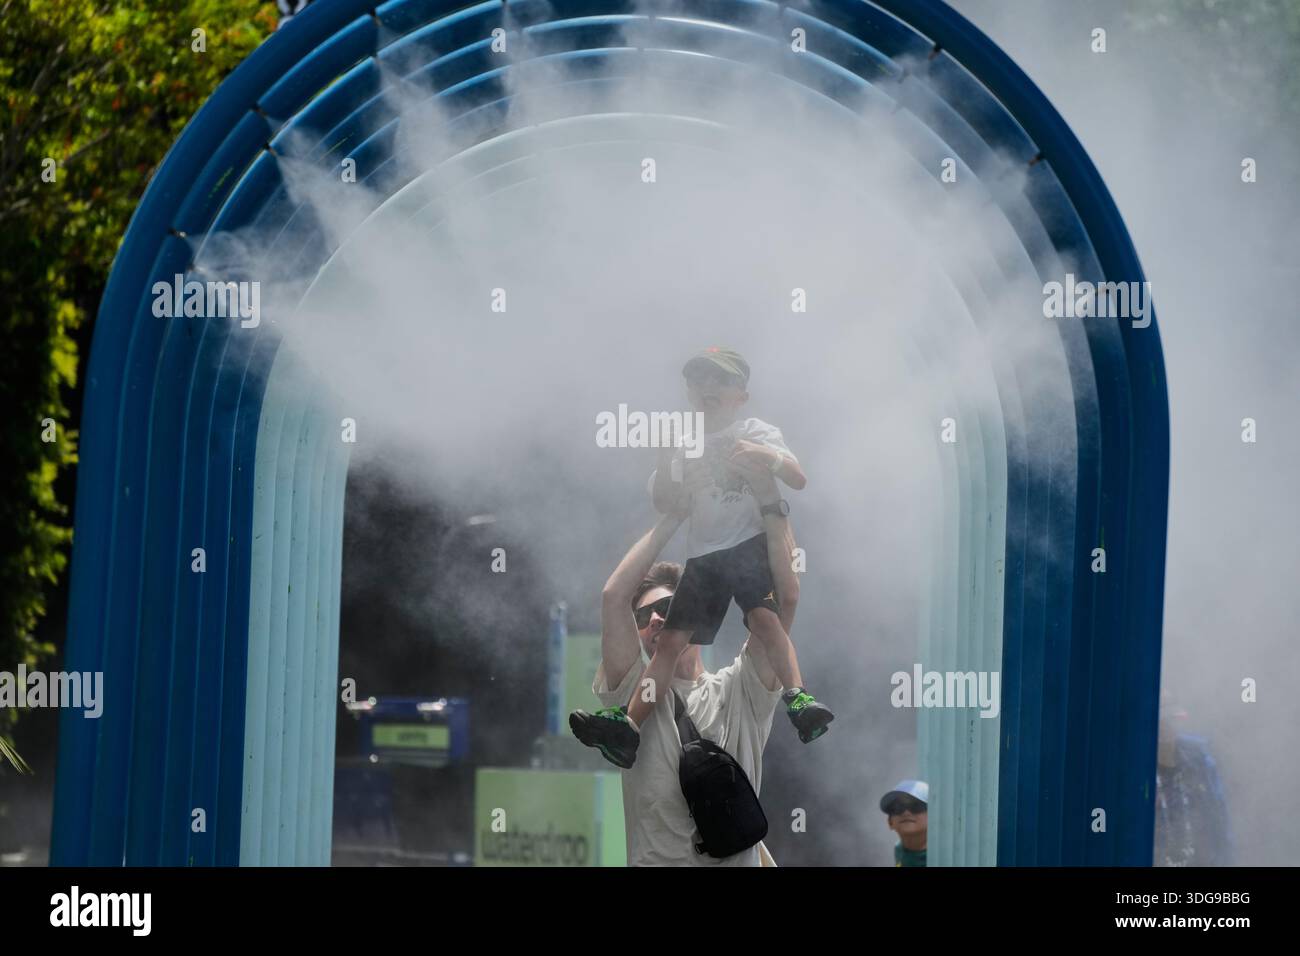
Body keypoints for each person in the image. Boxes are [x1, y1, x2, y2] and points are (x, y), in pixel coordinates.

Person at [572, 348, 832, 768]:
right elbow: (662, 500)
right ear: (689, 390)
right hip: (704, 554)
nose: (709, 388)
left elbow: (797, 479)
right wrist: (664, 455)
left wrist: (766, 460)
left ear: (741, 395)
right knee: (671, 643)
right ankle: (629, 726)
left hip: (747, 545)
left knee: (766, 619)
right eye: (700, 380)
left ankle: (797, 697)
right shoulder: (683, 440)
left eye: (721, 381)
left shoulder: (757, 430)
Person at [570, 466, 799, 865]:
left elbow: (787, 598)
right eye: (643, 618)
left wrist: (770, 505)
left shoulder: (741, 690)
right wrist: (677, 513)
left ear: (696, 611)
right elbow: (613, 596)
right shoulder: (631, 695)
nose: (655, 620)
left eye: (665, 608)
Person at [1153, 695, 1233, 866]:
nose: (1166, 728)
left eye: (1171, 720)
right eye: (1161, 722)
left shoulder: (1200, 764)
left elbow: (1219, 818)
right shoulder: (1135, 771)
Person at [880, 779, 928, 867]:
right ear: (890, 822)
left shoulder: (947, 854)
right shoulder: (899, 849)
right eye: (898, 807)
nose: (906, 813)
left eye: (916, 806)